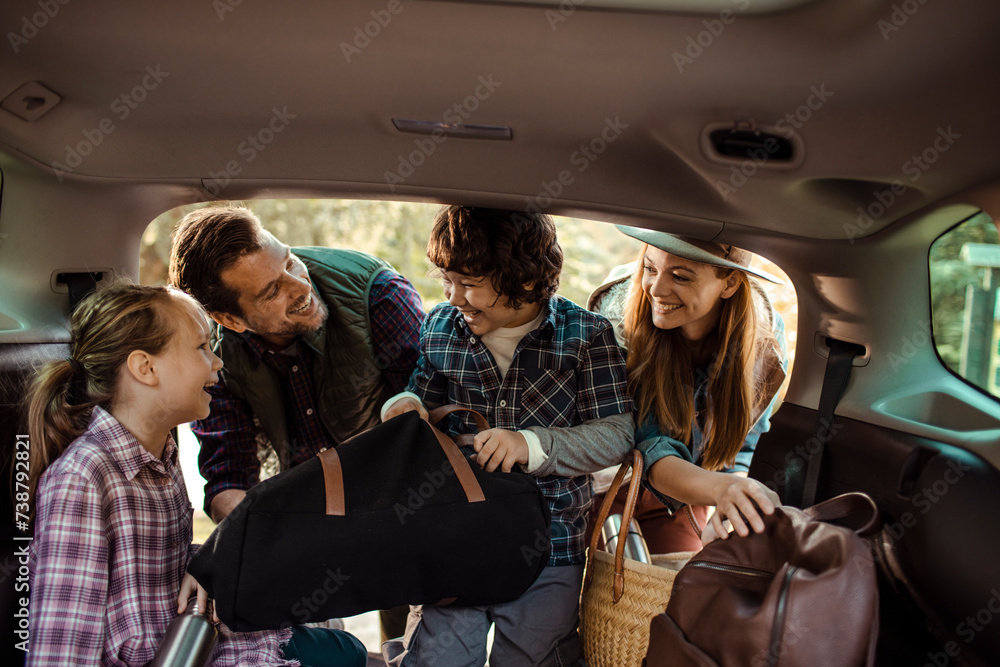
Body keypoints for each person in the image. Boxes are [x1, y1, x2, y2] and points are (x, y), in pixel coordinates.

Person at [25, 283, 367, 666]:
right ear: (146, 368)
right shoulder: (81, 480)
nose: (218, 362)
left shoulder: (161, 456)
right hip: (158, 654)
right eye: (203, 347)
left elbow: (156, 567)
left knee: (345, 648)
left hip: (191, 638)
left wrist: (211, 563)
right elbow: (60, 652)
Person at [381, 206, 634, 667]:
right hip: (454, 534)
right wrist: (404, 407)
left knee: (534, 658)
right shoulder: (440, 327)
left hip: (551, 544)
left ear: (529, 281)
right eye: (446, 280)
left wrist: (531, 445)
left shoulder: (586, 338)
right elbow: (421, 399)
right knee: (435, 658)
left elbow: (616, 435)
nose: (454, 296)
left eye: (470, 282)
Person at [168, 205, 424, 640]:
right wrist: (254, 541)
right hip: (301, 502)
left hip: (400, 494)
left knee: (415, 628)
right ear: (229, 320)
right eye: (272, 291)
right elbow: (228, 474)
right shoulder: (215, 356)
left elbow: (428, 428)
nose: (299, 284)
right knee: (317, 636)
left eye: (289, 260)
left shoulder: (378, 294)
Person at [589, 226, 788, 551]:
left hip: (689, 492)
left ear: (730, 283)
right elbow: (647, 445)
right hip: (606, 484)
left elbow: (743, 446)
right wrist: (720, 489)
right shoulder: (616, 323)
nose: (656, 289)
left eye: (680, 277)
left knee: (679, 589)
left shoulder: (764, 343)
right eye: (650, 268)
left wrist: (734, 496)